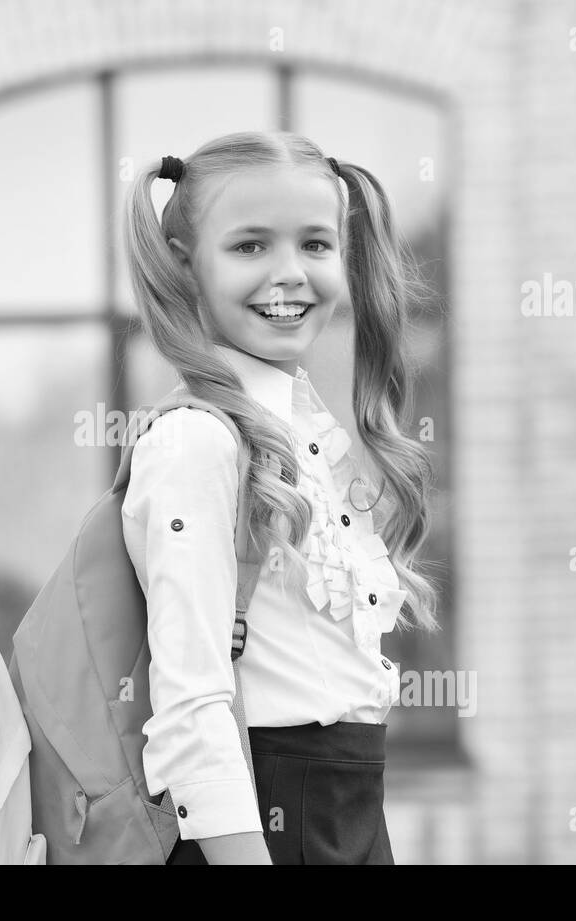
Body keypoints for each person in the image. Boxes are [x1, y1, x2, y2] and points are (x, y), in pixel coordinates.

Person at [121, 133, 440, 864]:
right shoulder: (196, 443)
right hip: (261, 830)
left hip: (347, 816)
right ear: (183, 267)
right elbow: (192, 707)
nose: (289, 274)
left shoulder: (306, 430)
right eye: (250, 247)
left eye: (316, 245)